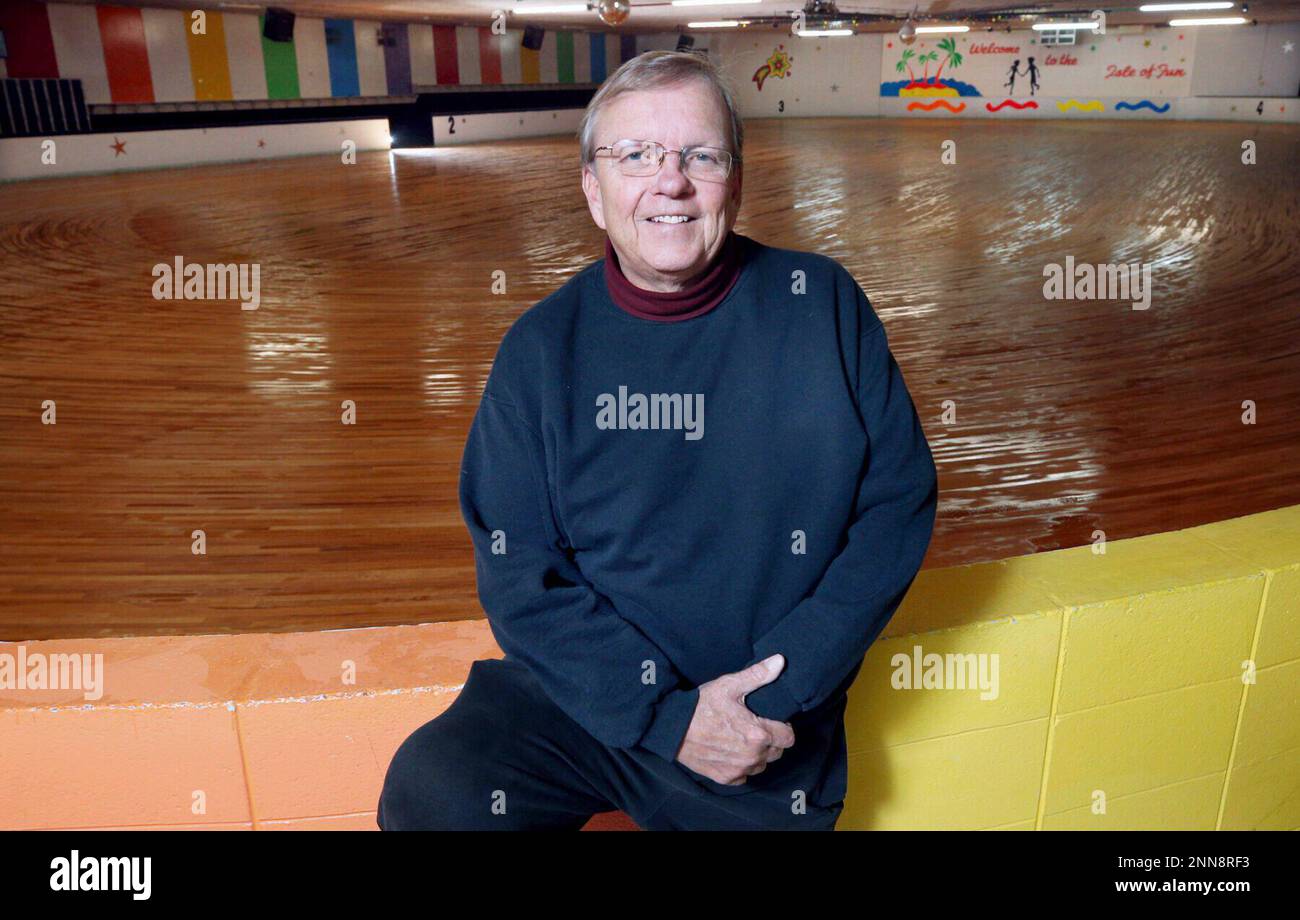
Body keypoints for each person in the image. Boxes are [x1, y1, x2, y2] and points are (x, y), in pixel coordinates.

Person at [378, 49, 938, 831]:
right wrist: (664, 719)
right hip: (583, 695)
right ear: (593, 191)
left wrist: (773, 693)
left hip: (761, 709)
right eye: (635, 156)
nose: (669, 182)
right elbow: (518, 573)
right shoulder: (540, 351)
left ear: (734, 183)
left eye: (700, 156)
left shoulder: (823, 307)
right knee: (436, 789)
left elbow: (897, 507)